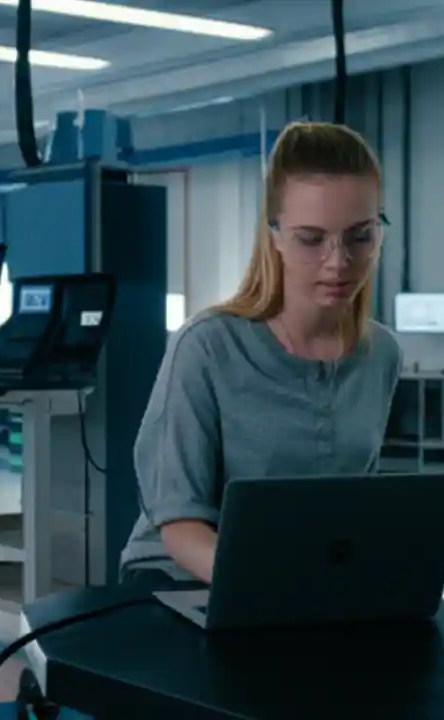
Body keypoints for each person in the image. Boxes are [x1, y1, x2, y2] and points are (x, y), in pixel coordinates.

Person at [119, 121, 403, 587]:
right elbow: (180, 525)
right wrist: (265, 588)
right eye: (311, 239)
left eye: (360, 236)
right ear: (274, 235)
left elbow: (354, 507)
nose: (338, 261)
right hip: (184, 578)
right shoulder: (208, 346)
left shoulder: (381, 355)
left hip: (304, 580)